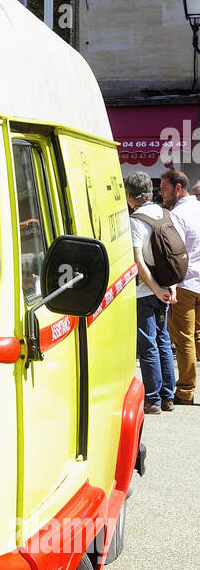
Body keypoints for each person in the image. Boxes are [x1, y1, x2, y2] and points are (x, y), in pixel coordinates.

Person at [124, 171, 176, 415]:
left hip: (146, 291)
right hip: (166, 289)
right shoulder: (164, 214)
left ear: (129, 194)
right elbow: (172, 255)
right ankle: (168, 396)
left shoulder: (136, 220)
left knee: (148, 344)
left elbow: (137, 260)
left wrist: (154, 289)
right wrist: (169, 288)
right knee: (163, 340)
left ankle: (153, 399)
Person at [160, 167, 200, 405]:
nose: (161, 193)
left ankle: (185, 391)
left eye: (164, 188)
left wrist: (169, 283)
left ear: (178, 188)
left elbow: (174, 254)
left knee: (184, 339)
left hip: (184, 283)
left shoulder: (176, 215)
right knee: (198, 337)